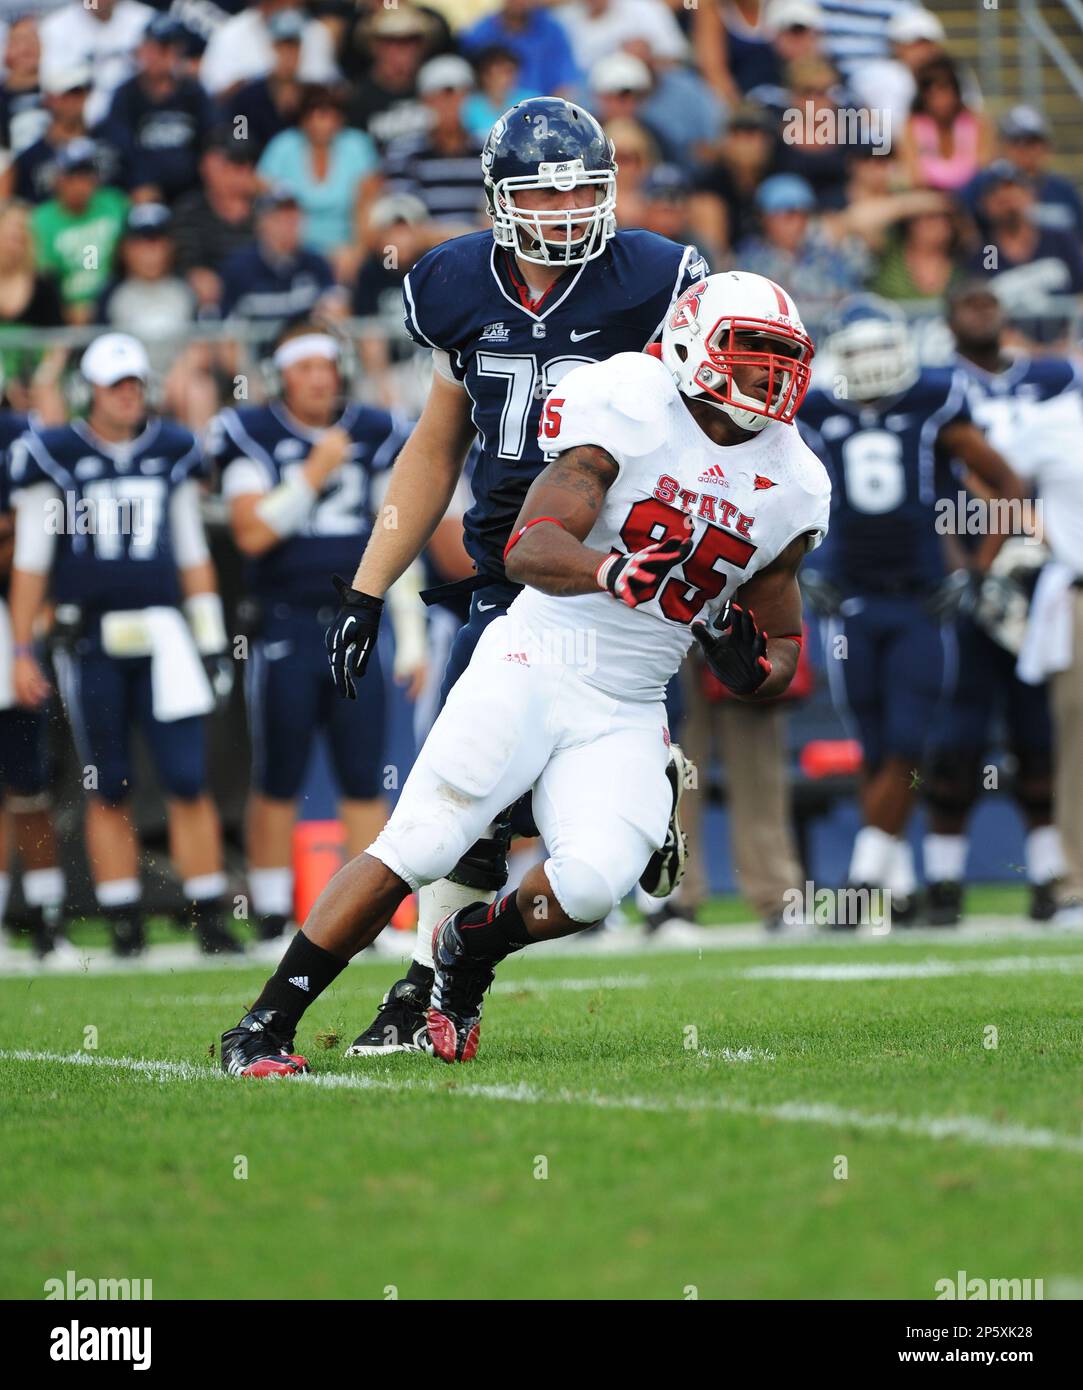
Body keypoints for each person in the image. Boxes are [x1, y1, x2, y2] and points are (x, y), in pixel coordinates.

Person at [219, 269, 831, 1075]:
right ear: (687, 346)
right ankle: (263, 1025)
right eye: (748, 354)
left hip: (629, 701)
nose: (766, 377)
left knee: (589, 887)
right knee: (425, 839)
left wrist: (735, 652)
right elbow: (530, 546)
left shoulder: (794, 483)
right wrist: (610, 572)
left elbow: (779, 657)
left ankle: (466, 952)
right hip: (537, 657)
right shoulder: (629, 401)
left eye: (780, 359)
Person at [252, 97, 707, 1059]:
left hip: (605, 562)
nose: (570, 208)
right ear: (499, 199)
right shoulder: (453, 283)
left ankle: (419, 992)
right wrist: (368, 586)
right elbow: (433, 445)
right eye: (547, 191)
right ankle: (427, 996)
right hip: (505, 559)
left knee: (479, 801)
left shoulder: (654, 280)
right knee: (471, 800)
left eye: (587, 186)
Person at [7, 332, 240, 957]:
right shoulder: (54, 454)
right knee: (107, 783)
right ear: (90, 392)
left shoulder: (171, 448)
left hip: (165, 634)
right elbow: (30, 563)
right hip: (90, 640)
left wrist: (212, 640)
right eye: (116, 384)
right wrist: (22, 652)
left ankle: (211, 913)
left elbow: (192, 553)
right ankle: (122, 919)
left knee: (188, 778)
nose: (129, 394)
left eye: (136, 382)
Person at [799, 295, 1022, 921]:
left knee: (905, 742)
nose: (870, 365)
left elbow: (1005, 485)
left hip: (922, 600)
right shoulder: (814, 410)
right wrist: (803, 566)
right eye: (859, 353)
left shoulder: (933, 401)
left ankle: (862, 883)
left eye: (879, 351)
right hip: (848, 602)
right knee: (875, 744)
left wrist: (978, 568)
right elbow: (782, 496)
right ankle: (900, 891)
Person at [210, 321, 413, 944]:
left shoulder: (373, 433)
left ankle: (366, 919)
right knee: (279, 774)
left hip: (357, 619)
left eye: (327, 364)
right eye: (306, 367)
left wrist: (412, 636)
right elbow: (253, 533)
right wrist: (312, 474)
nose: (320, 377)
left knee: (362, 774)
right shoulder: (251, 436)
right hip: (284, 625)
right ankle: (272, 916)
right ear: (279, 377)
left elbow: (396, 533)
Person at [922, 282, 1077, 925]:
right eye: (968, 302)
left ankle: (1050, 876)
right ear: (948, 320)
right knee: (957, 733)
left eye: (990, 302)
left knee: (1038, 733)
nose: (981, 310)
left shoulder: (1052, 382)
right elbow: (968, 476)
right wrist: (975, 558)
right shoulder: (937, 389)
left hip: (1042, 576)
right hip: (970, 567)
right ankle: (942, 882)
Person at [0, 398, 68, 959]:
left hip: (10, 623)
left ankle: (48, 919)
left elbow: (31, 544)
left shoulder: (26, 441)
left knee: (26, 786)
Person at [258, 83, 378, 274]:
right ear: (303, 118)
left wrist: (357, 251)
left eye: (327, 113)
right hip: (292, 248)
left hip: (344, 250)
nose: (320, 121)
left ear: (340, 118)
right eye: (313, 113)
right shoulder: (283, 147)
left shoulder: (357, 146)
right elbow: (266, 205)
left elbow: (367, 205)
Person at [100, 12, 215, 204]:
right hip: (140, 191)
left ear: (178, 52)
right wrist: (139, 182)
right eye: (153, 48)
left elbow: (213, 134)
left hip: (192, 190)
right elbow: (119, 146)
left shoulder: (193, 92)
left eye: (167, 49)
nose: (158, 56)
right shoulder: (126, 94)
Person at [29, 138, 127, 323]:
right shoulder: (41, 219)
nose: (80, 185)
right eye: (72, 177)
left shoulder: (115, 204)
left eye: (86, 176)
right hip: (60, 307)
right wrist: (66, 308)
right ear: (59, 179)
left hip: (112, 301)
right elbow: (45, 277)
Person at [217, 185, 342, 326]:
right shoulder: (239, 267)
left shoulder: (316, 264)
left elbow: (335, 305)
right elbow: (224, 326)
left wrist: (333, 309)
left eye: (294, 217)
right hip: (254, 347)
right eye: (280, 217)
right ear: (262, 223)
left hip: (301, 345)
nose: (290, 224)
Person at [37, 0, 155, 127]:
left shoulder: (145, 19)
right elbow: (55, 86)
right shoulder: (54, 27)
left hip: (138, 117)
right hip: (82, 123)